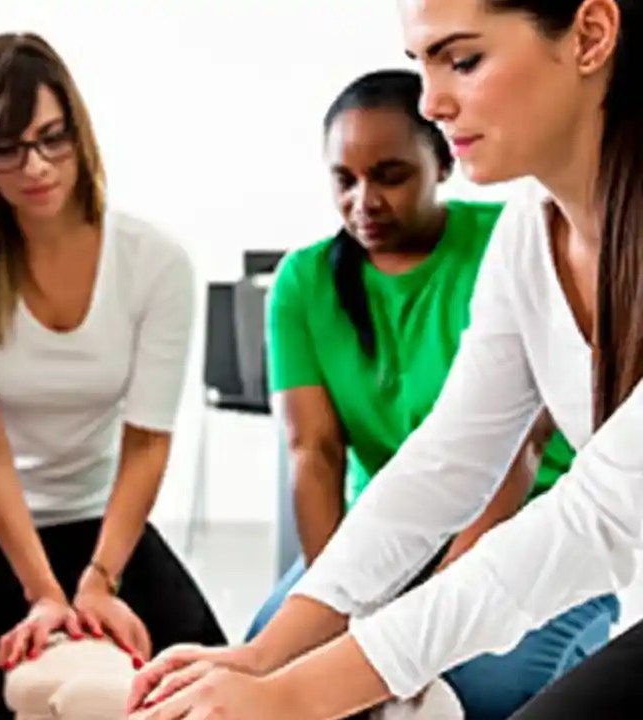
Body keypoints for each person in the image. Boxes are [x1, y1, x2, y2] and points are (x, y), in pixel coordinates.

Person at [126, 0, 643, 717]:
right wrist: (266, 654)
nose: (431, 103)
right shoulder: (530, 230)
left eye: (463, 61)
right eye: (422, 66)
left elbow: (598, 517)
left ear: (590, 35)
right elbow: (448, 459)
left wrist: (294, 696)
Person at [242, 67, 617, 718]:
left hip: (521, 531)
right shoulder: (303, 281)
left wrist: (426, 621)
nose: (365, 201)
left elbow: (511, 454)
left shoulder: (504, 239)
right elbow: (319, 455)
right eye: (345, 180)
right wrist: (322, 610)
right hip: (394, 533)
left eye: (390, 175)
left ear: (441, 164)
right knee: (272, 648)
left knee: (481, 690)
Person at [0, 31, 224, 719]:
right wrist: (45, 591)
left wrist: (98, 581)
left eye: (52, 139)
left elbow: (146, 444)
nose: (36, 167)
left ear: (80, 134)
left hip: (95, 510)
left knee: (196, 662)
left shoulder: (156, 263)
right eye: (8, 149)